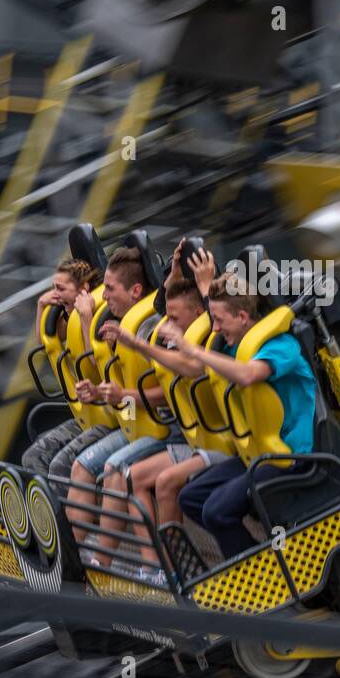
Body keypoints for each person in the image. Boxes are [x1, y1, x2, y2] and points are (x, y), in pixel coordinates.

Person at [111, 247, 233, 583]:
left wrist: (141, 347)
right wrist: (177, 269)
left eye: (176, 320)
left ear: (199, 313)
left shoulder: (210, 336)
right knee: (133, 476)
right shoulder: (187, 330)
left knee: (165, 482)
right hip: (200, 440)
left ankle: (176, 568)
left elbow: (193, 368)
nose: (168, 324)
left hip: (225, 440)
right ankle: (162, 569)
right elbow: (174, 303)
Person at [177, 274, 317, 559]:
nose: (214, 329)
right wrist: (134, 343)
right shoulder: (235, 346)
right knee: (190, 497)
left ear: (242, 316)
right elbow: (192, 368)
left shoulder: (281, 345)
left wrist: (195, 350)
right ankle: (257, 557)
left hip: (292, 455)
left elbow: (249, 375)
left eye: (219, 320)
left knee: (216, 511)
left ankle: (258, 573)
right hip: (256, 450)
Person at [63, 247, 174, 564]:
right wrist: (101, 394)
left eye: (110, 289)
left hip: (164, 426)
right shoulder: (116, 325)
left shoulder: (148, 329)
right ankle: (72, 559)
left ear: (136, 291)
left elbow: (166, 394)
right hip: (134, 420)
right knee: (80, 465)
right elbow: (117, 385)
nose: (103, 296)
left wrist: (119, 396)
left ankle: (103, 563)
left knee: (114, 469)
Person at [21, 258, 109, 477]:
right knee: (32, 458)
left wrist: (87, 316)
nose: (55, 294)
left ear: (83, 289)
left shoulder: (99, 315)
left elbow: (95, 362)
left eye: (61, 288)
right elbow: (45, 345)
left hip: (111, 414)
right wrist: (41, 306)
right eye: (53, 288)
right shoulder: (67, 319)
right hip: (88, 414)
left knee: (60, 466)